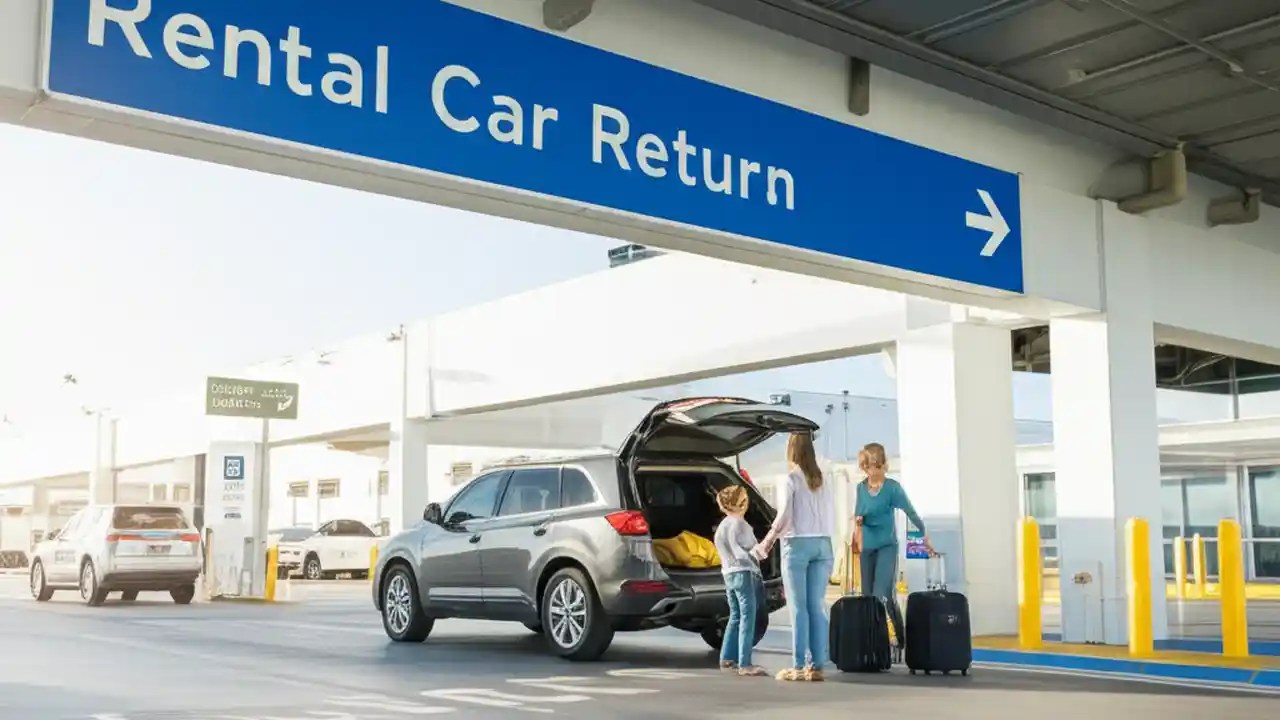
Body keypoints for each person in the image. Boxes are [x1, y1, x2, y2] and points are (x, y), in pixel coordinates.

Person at [754, 432, 837, 682]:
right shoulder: (823, 479)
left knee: (799, 608)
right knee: (817, 606)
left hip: (797, 545)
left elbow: (785, 516)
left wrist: (767, 542)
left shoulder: (790, 479)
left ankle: (798, 666)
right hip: (824, 545)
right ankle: (817, 666)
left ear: (791, 451)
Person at [853, 442, 932, 643]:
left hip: (886, 546)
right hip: (867, 548)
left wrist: (924, 536)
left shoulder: (892, 488)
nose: (873, 472)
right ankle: (877, 641)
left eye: (877, 467)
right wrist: (858, 526)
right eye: (869, 467)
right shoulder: (860, 489)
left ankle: (894, 637)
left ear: (883, 465)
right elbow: (858, 515)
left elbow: (910, 512)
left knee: (881, 594)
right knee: (868, 597)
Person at [712, 485, 768, 677]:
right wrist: (761, 550)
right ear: (742, 503)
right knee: (748, 617)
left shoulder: (722, 526)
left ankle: (727, 658)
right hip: (744, 573)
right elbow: (747, 551)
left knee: (735, 615)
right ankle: (745, 663)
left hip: (728, 574)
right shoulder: (741, 525)